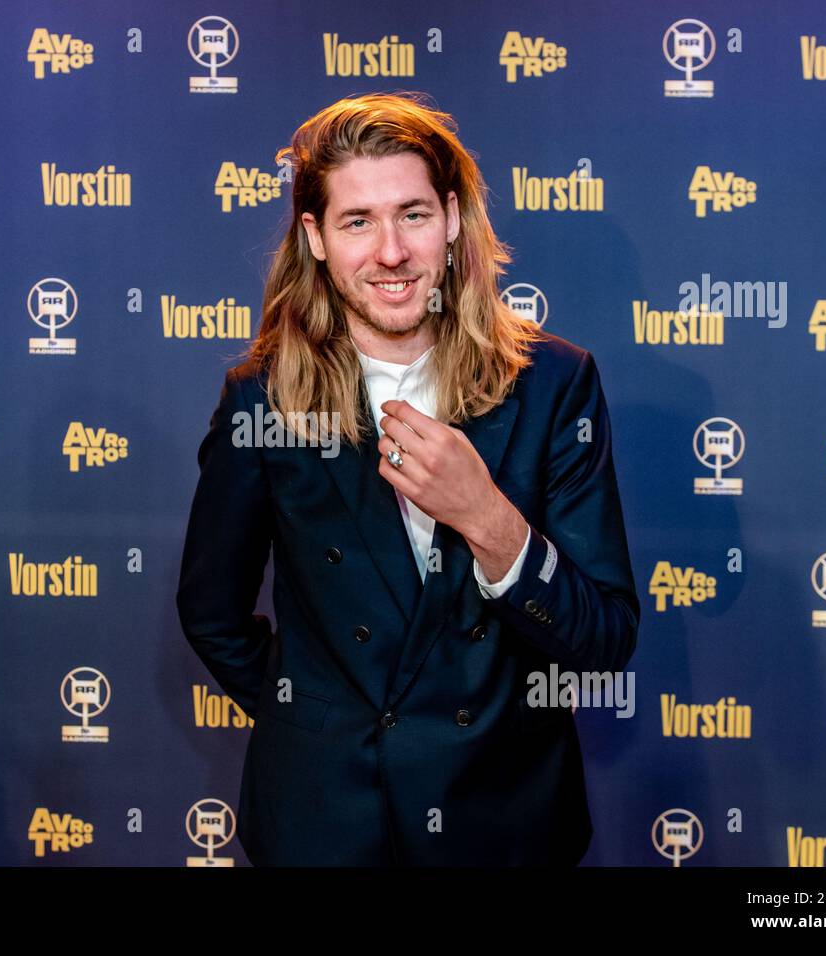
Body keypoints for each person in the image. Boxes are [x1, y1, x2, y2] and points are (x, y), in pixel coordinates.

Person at [176, 92, 639, 865]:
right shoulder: (262, 399)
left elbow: (604, 640)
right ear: (316, 239)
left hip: (504, 819)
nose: (390, 252)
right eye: (358, 221)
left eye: (413, 215)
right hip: (327, 827)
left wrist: (486, 517)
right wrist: (317, 726)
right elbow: (211, 611)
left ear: (453, 221)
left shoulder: (555, 384)